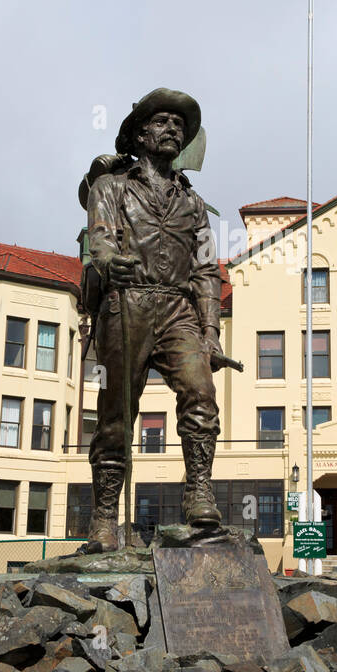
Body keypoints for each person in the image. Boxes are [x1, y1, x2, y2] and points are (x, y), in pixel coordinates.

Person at [80, 88, 229, 550]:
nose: (173, 130)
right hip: (127, 303)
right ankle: (104, 523)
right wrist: (107, 263)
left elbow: (206, 270)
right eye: (162, 122)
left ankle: (199, 495)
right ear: (141, 134)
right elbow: (99, 240)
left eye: (179, 125)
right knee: (117, 416)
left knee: (201, 393)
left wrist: (210, 333)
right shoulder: (112, 187)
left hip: (178, 309)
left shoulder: (195, 203)